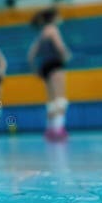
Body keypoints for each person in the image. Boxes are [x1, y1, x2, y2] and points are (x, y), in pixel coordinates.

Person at [27, 8, 71, 141]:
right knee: (60, 100)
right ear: (53, 18)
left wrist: (35, 70)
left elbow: (30, 55)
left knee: (51, 102)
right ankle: (59, 129)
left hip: (45, 68)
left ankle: (50, 130)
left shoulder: (41, 34)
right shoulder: (52, 30)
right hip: (55, 66)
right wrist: (66, 55)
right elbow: (60, 46)